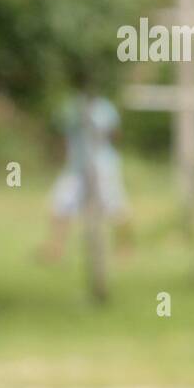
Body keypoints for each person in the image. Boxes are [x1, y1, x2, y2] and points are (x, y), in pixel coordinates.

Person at [39, 77, 131, 262]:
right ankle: (56, 249)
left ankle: (125, 250)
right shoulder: (69, 107)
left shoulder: (105, 108)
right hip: (76, 166)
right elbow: (62, 135)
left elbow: (115, 134)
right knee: (59, 205)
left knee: (116, 207)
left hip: (103, 165)